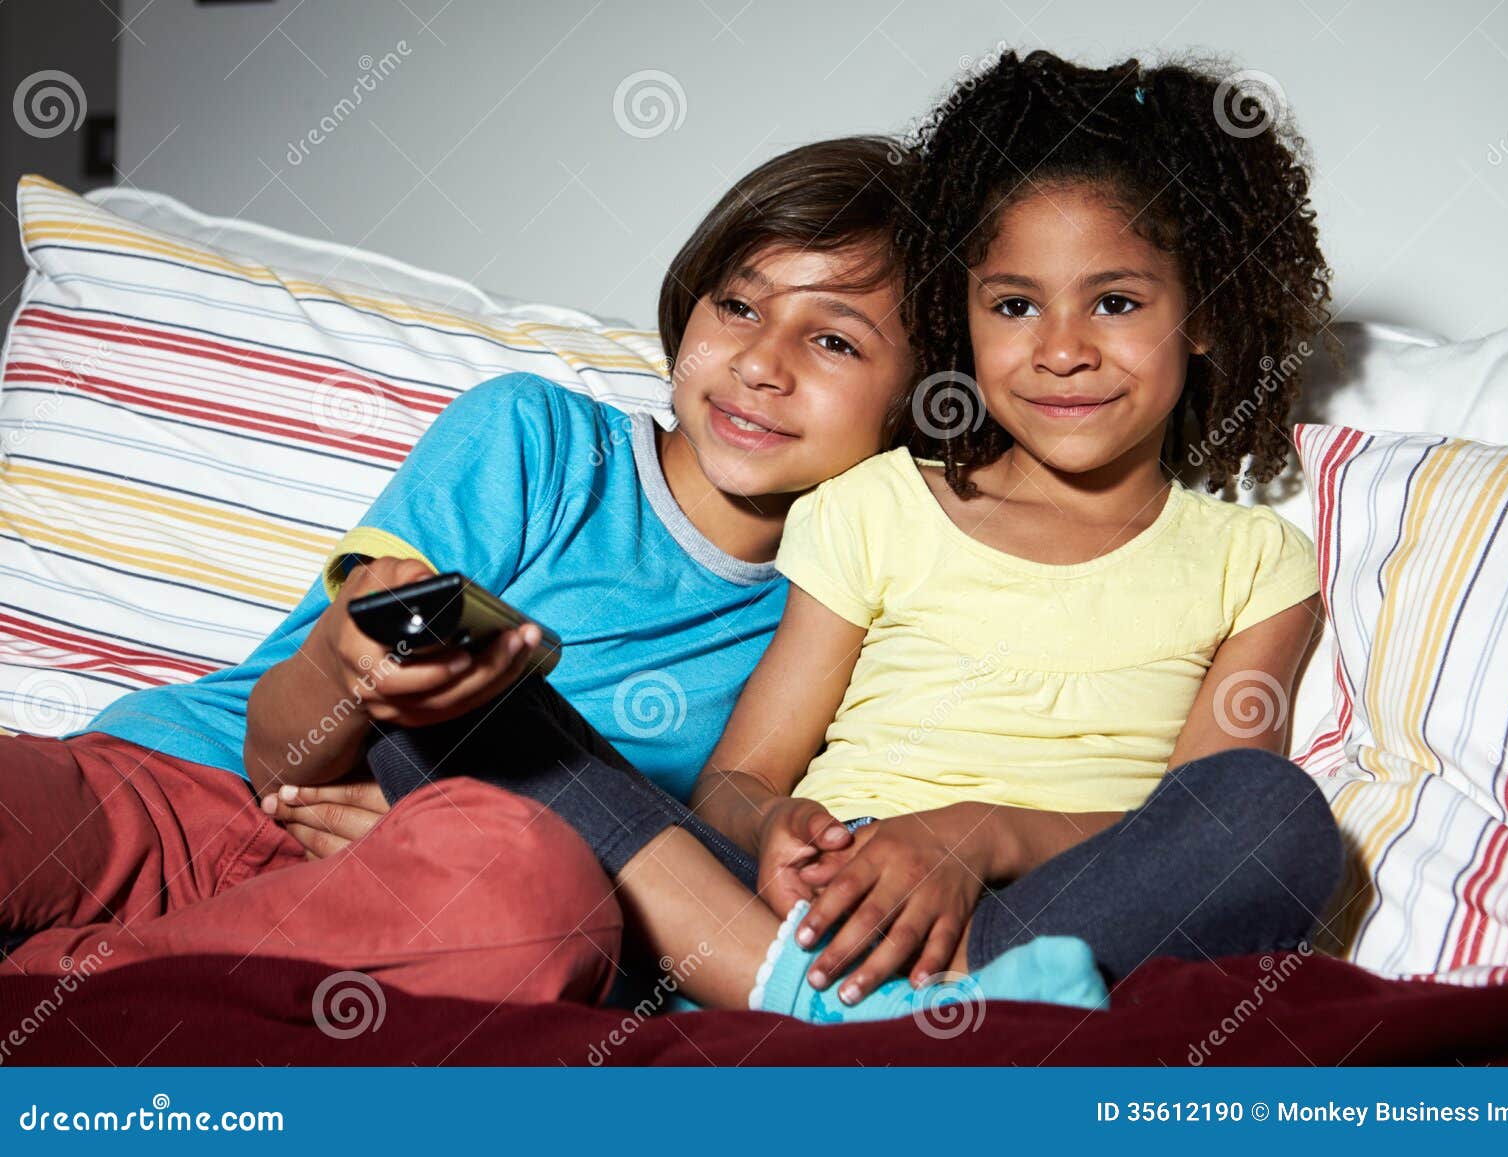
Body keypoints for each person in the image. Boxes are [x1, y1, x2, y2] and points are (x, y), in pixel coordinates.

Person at [347, 50, 1345, 1020]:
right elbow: (736, 781)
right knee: (454, 709)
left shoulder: (1253, 561)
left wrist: (977, 838)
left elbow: (1195, 813)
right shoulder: (876, 504)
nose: (1061, 350)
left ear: (1207, 314)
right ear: (962, 319)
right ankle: (856, 1013)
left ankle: (857, 1010)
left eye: (1116, 302)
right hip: (800, 905)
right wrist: (778, 825)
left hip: (1035, 913)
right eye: (1012, 305)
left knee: (1272, 813)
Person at [0, 137, 921, 1013]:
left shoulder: (833, 618)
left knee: (531, 896)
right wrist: (349, 664)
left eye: (833, 341)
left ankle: (58, 990)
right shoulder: (535, 440)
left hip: (418, 914)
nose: (761, 364)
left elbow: (681, 899)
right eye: (739, 306)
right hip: (176, 792)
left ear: (915, 402)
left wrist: (420, 835)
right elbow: (276, 755)